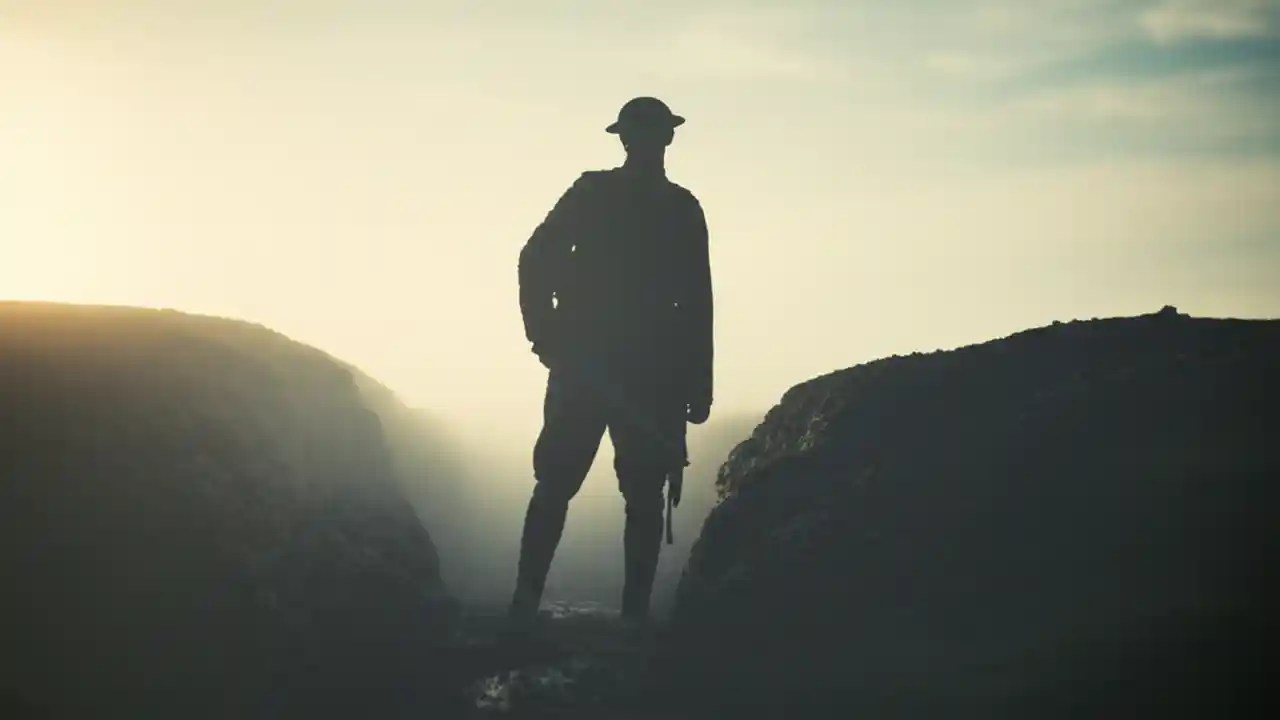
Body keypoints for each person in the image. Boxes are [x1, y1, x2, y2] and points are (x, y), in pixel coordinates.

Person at [511, 96, 714, 630]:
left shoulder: (603, 195)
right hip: (635, 373)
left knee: (571, 487)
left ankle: (528, 611)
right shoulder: (673, 206)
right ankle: (626, 619)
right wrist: (547, 338)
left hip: (607, 369)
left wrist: (548, 337)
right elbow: (697, 301)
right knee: (613, 493)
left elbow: (697, 299)